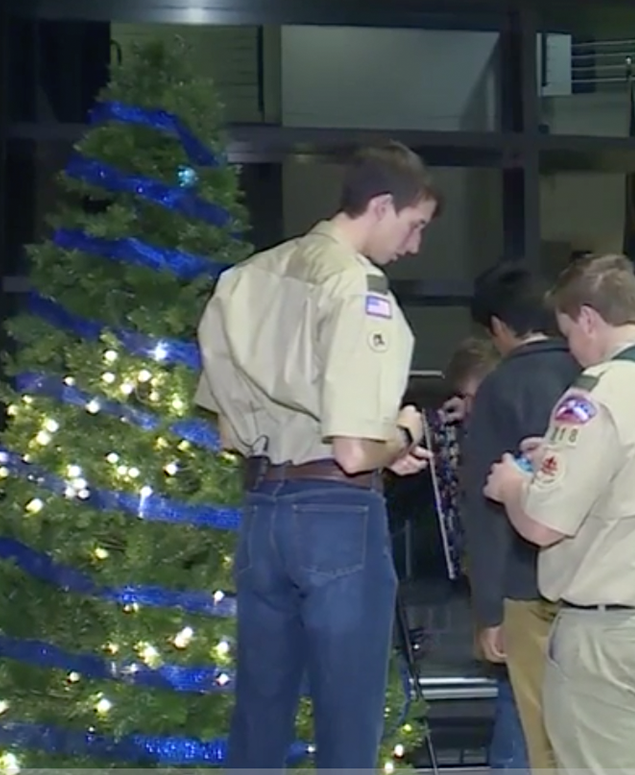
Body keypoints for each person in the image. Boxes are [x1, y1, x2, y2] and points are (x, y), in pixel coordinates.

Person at [195, 141, 441, 771]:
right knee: (349, 724)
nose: (414, 247)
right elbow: (357, 451)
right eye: (414, 226)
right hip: (336, 513)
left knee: (259, 717)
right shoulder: (359, 289)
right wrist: (405, 435)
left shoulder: (242, 281)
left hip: (263, 508)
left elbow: (229, 428)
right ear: (382, 205)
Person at [483, 254, 635, 775]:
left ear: (590, 318)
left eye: (571, 332)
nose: (572, 350)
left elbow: (542, 523)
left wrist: (512, 488)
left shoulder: (599, 393)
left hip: (613, 638)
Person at [459, 262, 580, 773]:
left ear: (500, 328)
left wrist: (488, 611)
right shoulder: (593, 374)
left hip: (525, 587)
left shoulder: (500, 387)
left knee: (534, 735)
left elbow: (483, 507)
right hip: (597, 587)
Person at [440, 336, 530, 771]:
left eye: (477, 396)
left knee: (516, 717)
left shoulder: (512, 444)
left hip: (515, 595)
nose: (473, 407)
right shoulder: (463, 438)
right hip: (485, 591)